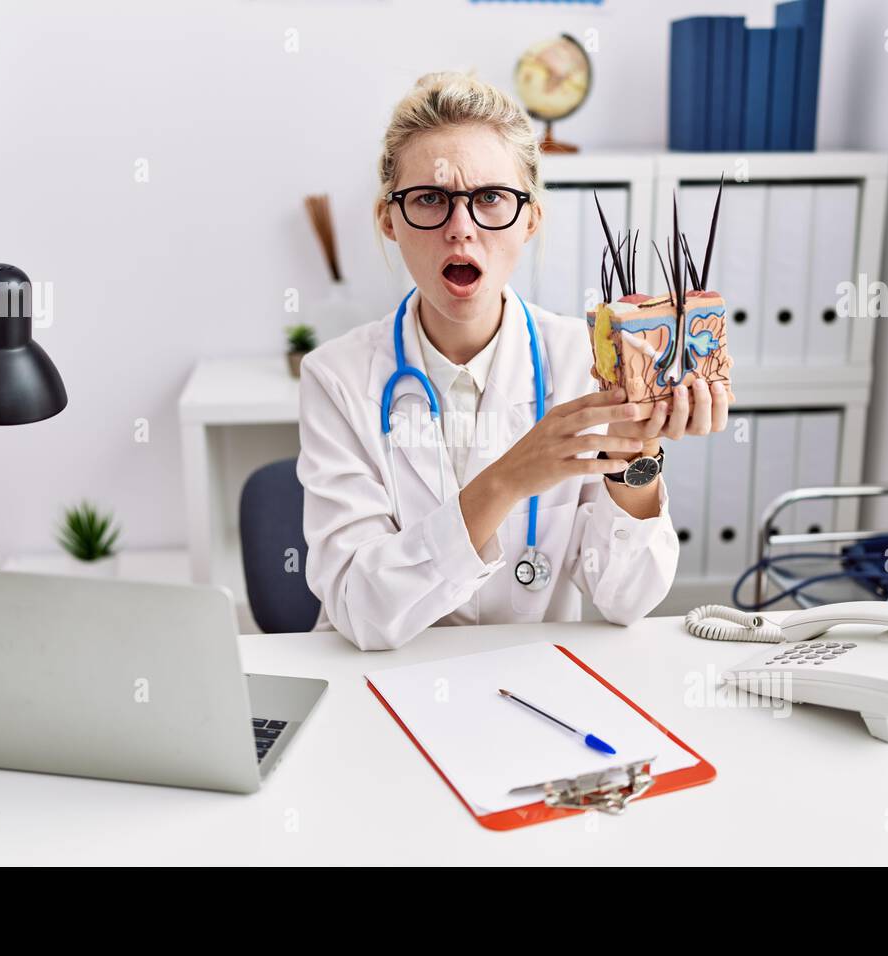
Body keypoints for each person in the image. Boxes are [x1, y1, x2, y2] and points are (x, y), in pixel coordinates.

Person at [296, 72, 730, 650]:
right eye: (429, 199)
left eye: (490, 198)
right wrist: (505, 480)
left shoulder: (585, 361)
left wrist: (637, 454)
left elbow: (628, 600)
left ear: (530, 219)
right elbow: (361, 610)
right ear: (387, 220)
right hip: (379, 685)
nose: (461, 229)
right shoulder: (337, 378)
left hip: (531, 683)